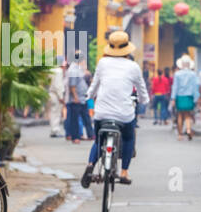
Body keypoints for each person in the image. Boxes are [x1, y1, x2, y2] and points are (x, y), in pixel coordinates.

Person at [80, 30, 150, 188]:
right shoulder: (133, 66)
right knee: (128, 138)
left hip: (102, 113)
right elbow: (141, 90)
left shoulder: (103, 63)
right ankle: (124, 172)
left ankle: (91, 165)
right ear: (127, 49)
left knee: (98, 140)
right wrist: (144, 100)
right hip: (124, 115)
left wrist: (88, 96)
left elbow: (94, 86)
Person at [171, 54, 200, 140]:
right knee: (188, 115)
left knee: (180, 115)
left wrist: (173, 98)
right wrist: (196, 98)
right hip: (189, 97)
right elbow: (195, 87)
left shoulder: (177, 74)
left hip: (180, 96)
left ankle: (180, 134)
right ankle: (188, 130)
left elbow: (175, 87)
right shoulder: (193, 74)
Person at [64, 54, 88, 143]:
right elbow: (72, 85)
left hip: (79, 97)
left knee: (76, 118)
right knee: (74, 119)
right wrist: (75, 97)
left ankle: (76, 136)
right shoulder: (73, 70)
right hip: (76, 98)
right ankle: (75, 137)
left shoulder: (77, 68)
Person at [47, 58, 66, 138]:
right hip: (56, 94)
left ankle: (53, 130)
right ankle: (55, 130)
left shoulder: (51, 70)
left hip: (51, 93)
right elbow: (58, 85)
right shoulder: (59, 71)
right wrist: (61, 96)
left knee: (53, 112)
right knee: (56, 113)